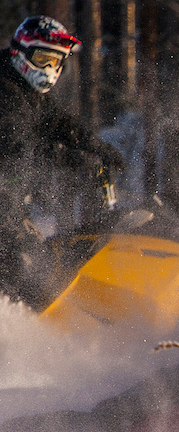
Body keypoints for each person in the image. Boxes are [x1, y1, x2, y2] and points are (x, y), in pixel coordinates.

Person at [0, 16, 126, 307]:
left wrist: (97, 148)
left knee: (41, 267)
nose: (49, 69)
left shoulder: (26, 92)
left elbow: (58, 123)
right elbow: (17, 145)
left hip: (9, 207)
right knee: (29, 272)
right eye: (42, 58)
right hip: (5, 209)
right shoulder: (7, 93)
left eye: (56, 62)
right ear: (21, 51)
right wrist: (70, 160)